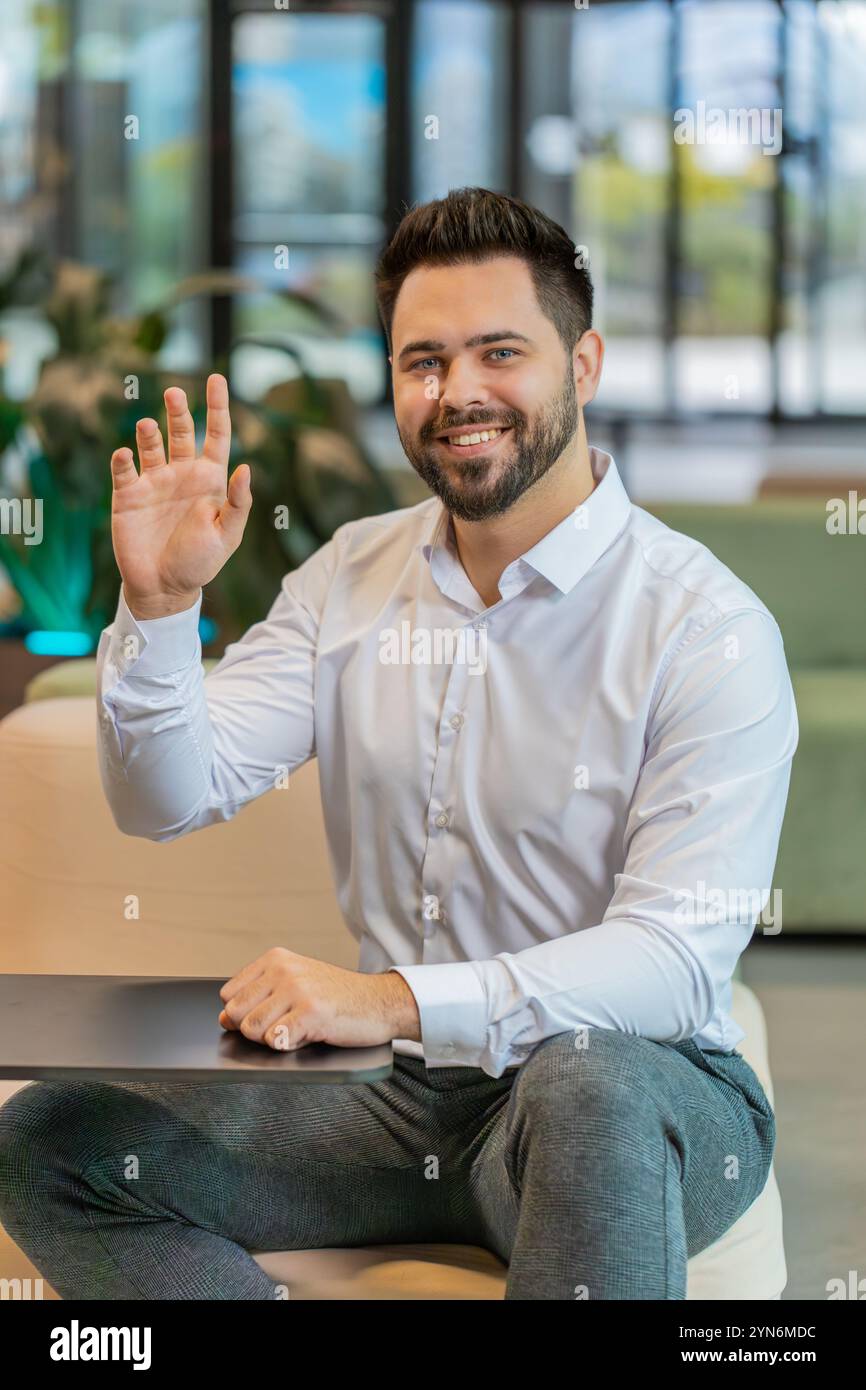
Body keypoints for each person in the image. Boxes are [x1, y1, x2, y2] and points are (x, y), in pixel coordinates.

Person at [0, 187, 796, 1300]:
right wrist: (162, 606)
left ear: (583, 364)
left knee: (585, 1088)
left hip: (641, 1087)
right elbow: (165, 797)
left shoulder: (704, 627)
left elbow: (669, 961)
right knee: (48, 1139)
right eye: (424, 360)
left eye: (499, 352)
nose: (457, 391)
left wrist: (389, 998)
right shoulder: (349, 577)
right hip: (399, 1095)